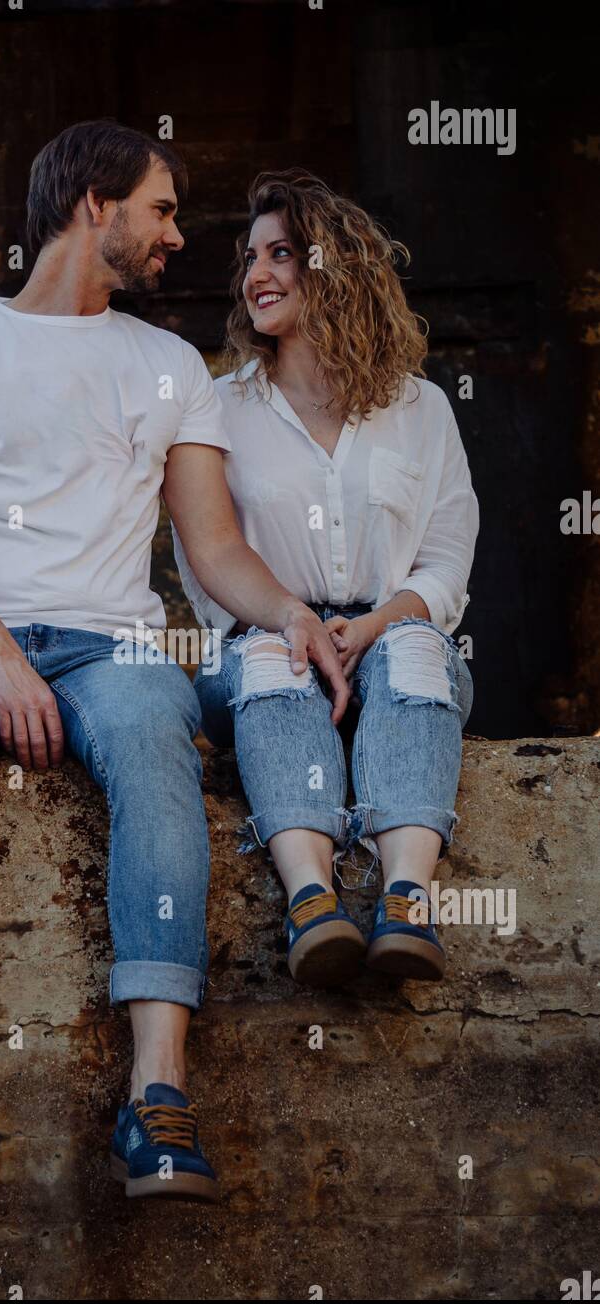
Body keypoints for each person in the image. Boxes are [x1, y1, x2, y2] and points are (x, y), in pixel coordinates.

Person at [0, 125, 351, 1247]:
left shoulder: (166, 369)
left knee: (155, 735)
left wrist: (290, 612)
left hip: (114, 644)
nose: (175, 237)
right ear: (93, 206)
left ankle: (154, 1101)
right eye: (161, 211)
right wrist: (0, 658)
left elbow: (209, 549)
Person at [174, 169, 479, 991]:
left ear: (335, 267)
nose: (256, 275)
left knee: (418, 651)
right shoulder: (219, 408)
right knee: (273, 655)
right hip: (265, 638)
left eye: (281, 254)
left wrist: (372, 626)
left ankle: (407, 899)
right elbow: (205, 556)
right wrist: (294, 620)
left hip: (388, 637)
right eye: (250, 259)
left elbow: (447, 562)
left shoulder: (420, 409)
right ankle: (313, 902)